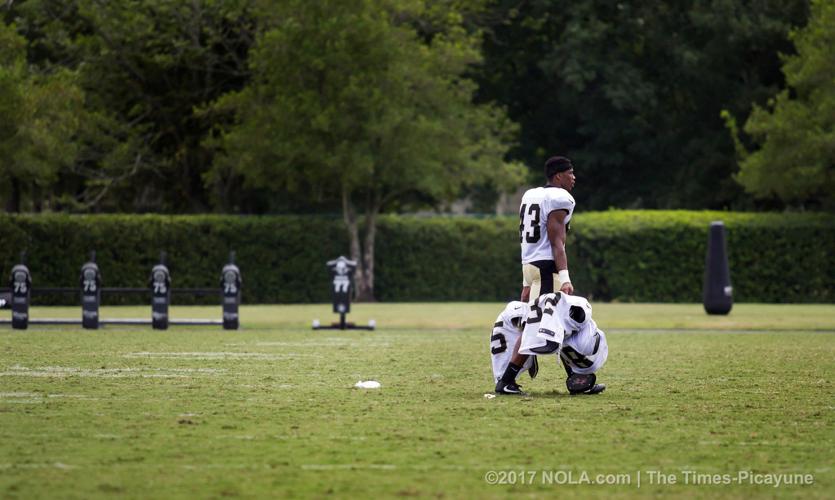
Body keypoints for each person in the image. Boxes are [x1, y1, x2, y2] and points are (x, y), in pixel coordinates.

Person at [495, 156, 577, 394]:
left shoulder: (531, 195)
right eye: (570, 173)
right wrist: (565, 276)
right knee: (537, 326)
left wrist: (526, 280)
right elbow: (556, 240)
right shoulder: (560, 198)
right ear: (558, 176)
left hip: (531, 266)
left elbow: (529, 239)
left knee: (559, 322)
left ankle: (576, 378)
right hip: (546, 269)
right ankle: (506, 381)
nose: (574, 177)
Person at [517, 292, 607, 395]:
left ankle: (576, 381)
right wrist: (565, 280)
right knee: (562, 339)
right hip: (548, 295)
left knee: (560, 339)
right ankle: (506, 381)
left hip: (541, 299)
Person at [489, 301, 538, 392]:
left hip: (503, 348)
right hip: (507, 352)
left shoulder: (513, 309)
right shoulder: (521, 310)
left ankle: (507, 381)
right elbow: (528, 333)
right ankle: (506, 382)